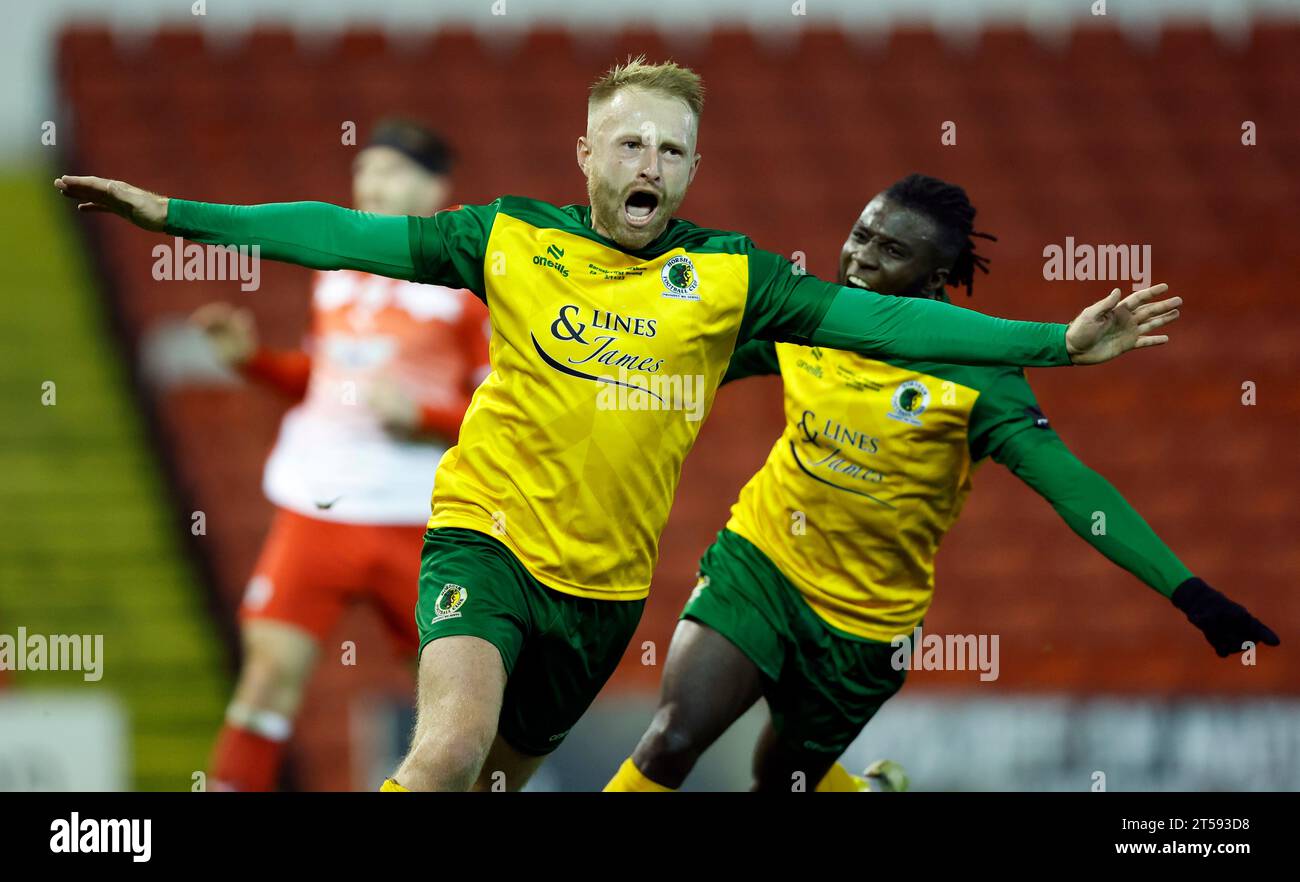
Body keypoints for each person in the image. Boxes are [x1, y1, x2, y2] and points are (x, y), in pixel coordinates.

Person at [55, 57, 1182, 792]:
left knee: (494, 782)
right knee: (442, 757)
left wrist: (1054, 345)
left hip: (600, 593)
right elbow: (342, 235)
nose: (648, 163)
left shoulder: (733, 277)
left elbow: (887, 319)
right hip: (482, 536)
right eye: (628, 143)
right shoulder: (503, 238)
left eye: (670, 149)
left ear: (691, 168)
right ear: (587, 157)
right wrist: (172, 214)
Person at [604, 174, 1279, 793]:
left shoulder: (978, 378)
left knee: (780, 780)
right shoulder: (813, 316)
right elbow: (698, 366)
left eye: (892, 251)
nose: (863, 258)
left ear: (934, 280)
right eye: (861, 235)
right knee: (673, 739)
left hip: (866, 624)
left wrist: (1191, 594)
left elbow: (1077, 490)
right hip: (761, 562)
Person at [195, 120, 490, 790]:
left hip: (421, 521)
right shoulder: (336, 274)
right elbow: (326, 382)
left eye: (391, 171)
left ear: (436, 187)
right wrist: (257, 363)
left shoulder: (468, 288)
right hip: (316, 509)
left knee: (468, 703)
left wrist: (425, 417)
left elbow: (500, 414)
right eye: (364, 170)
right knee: (267, 677)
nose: (371, 184)